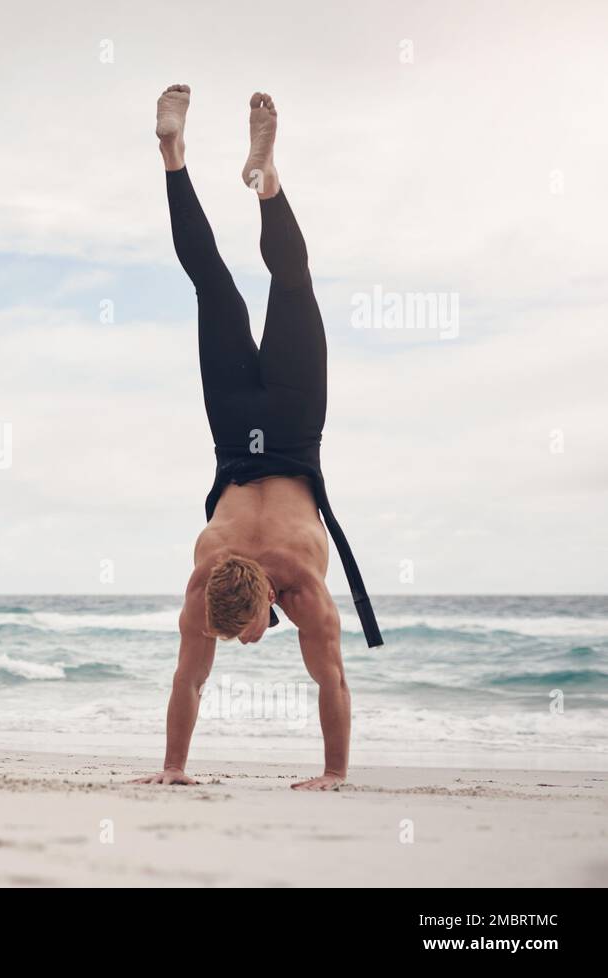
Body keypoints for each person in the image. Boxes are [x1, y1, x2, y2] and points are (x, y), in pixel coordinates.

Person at [134, 86, 383, 792]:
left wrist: (336, 773)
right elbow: (318, 679)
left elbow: (317, 675)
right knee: (215, 287)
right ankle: (183, 159)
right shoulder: (205, 573)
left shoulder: (301, 587)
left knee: (286, 285)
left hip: (297, 428)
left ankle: (252, 175)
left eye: (234, 639)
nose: (237, 645)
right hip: (236, 427)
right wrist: (173, 770)